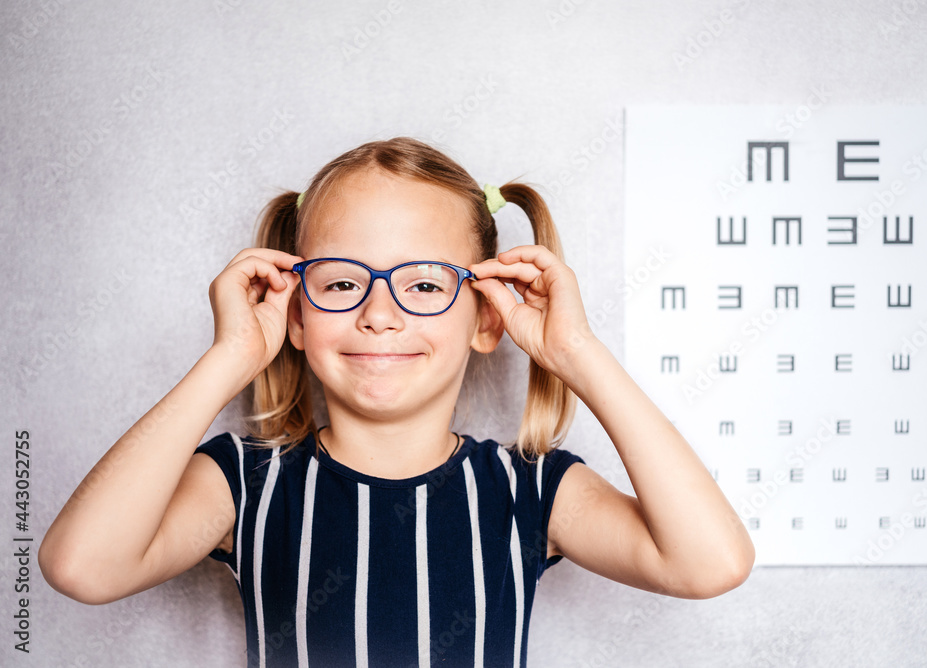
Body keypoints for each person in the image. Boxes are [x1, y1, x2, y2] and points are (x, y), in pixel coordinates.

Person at [40, 137, 755, 667]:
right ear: (296, 315)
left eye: (421, 285)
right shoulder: (246, 482)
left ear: (485, 319)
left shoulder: (529, 490)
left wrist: (576, 354)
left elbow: (710, 563)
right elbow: (81, 566)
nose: (379, 315)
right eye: (344, 283)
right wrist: (229, 356)